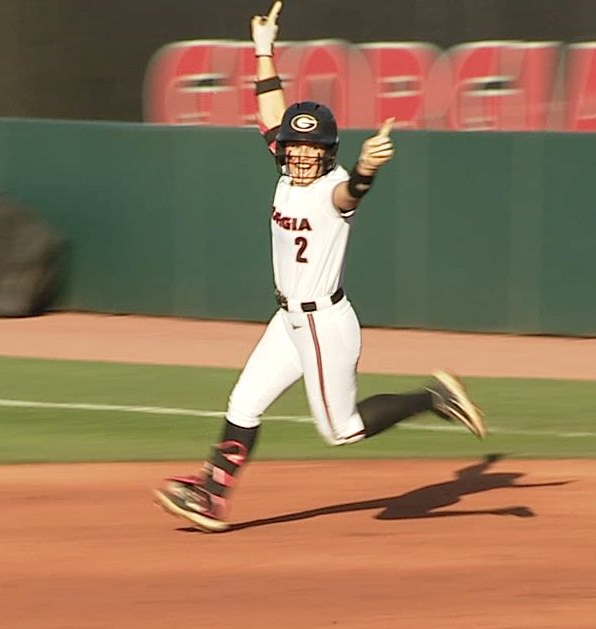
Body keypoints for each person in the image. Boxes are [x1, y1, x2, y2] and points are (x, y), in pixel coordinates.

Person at [153, 0, 487, 533]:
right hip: (288, 320)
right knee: (244, 401)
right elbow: (271, 111)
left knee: (343, 431)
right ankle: (211, 496)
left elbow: (351, 194)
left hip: (324, 323)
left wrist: (367, 170)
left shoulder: (330, 188)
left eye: (312, 148)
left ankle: (432, 396)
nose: (301, 155)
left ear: (329, 154)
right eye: (295, 146)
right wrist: (263, 51)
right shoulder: (288, 173)